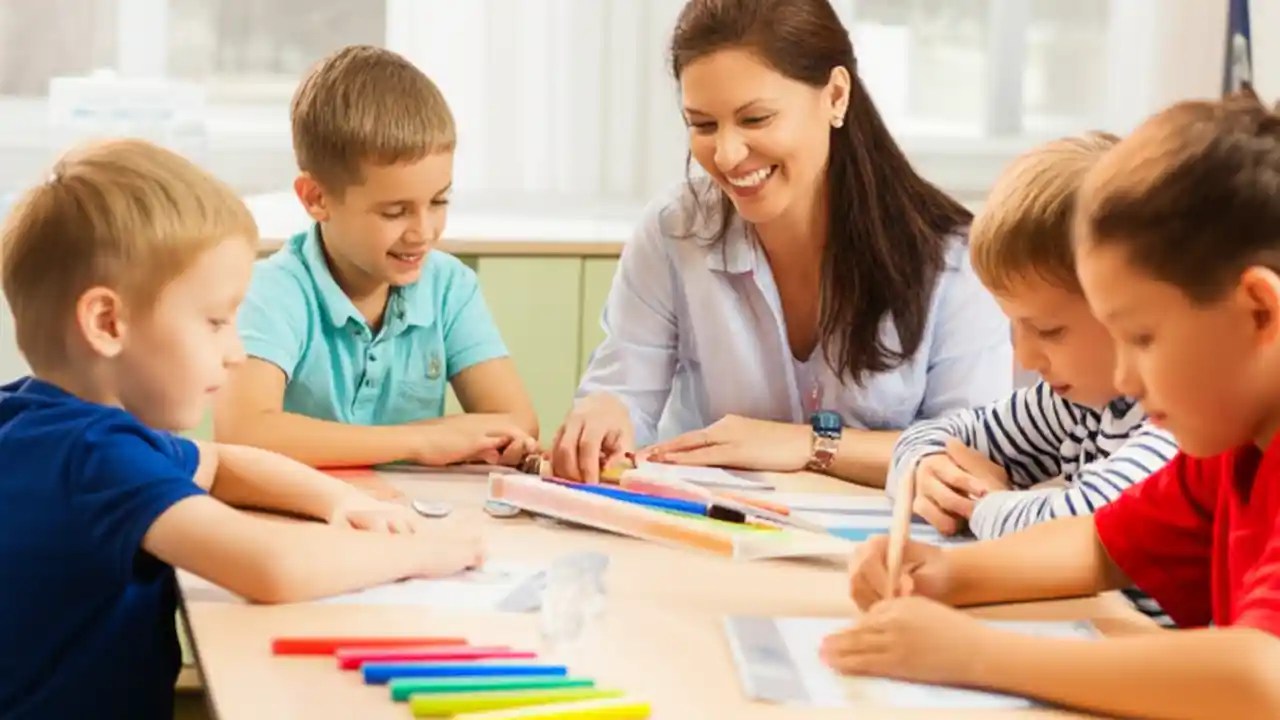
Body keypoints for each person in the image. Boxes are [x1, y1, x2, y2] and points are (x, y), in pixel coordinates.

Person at [824, 90, 1280, 718]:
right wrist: (945, 576)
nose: (1125, 375)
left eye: (1143, 339)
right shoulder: (1232, 447)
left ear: (1259, 312)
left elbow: (1263, 679)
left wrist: (975, 656)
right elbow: (1099, 545)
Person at [0, 139, 482, 719]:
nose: (235, 353)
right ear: (107, 323)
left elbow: (222, 463)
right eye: (215, 322)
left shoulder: (41, 422)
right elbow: (270, 567)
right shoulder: (95, 456)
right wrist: (426, 553)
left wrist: (340, 500)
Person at [552, 0, 1011, 486]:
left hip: (881, 550)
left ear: (835, 96)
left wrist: (808, 445)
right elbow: (623, 391)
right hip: (710, 536)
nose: (726, 154)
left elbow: (974, 454)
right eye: (703, 125)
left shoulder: (949, 255)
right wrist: (605, 413)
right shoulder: (673, 231)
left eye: (755, 120)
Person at [216, 45, 538, 468]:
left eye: (439, 201)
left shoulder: (449, 287)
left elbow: (518, 422)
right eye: (395, 211)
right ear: (316, 199)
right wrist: (419, 441)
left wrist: (500, 441)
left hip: (409, 518)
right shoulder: (273, 292)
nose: (423, 232)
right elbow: (245, 433)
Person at [888, 132, 1177, 544]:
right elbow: (936, 434)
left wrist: (985, 501)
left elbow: (1084, 527)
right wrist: (929, 466)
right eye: (1014, 326)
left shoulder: (1181, 423)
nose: (1024, 357)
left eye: (1048, 331)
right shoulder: (1076, 402)